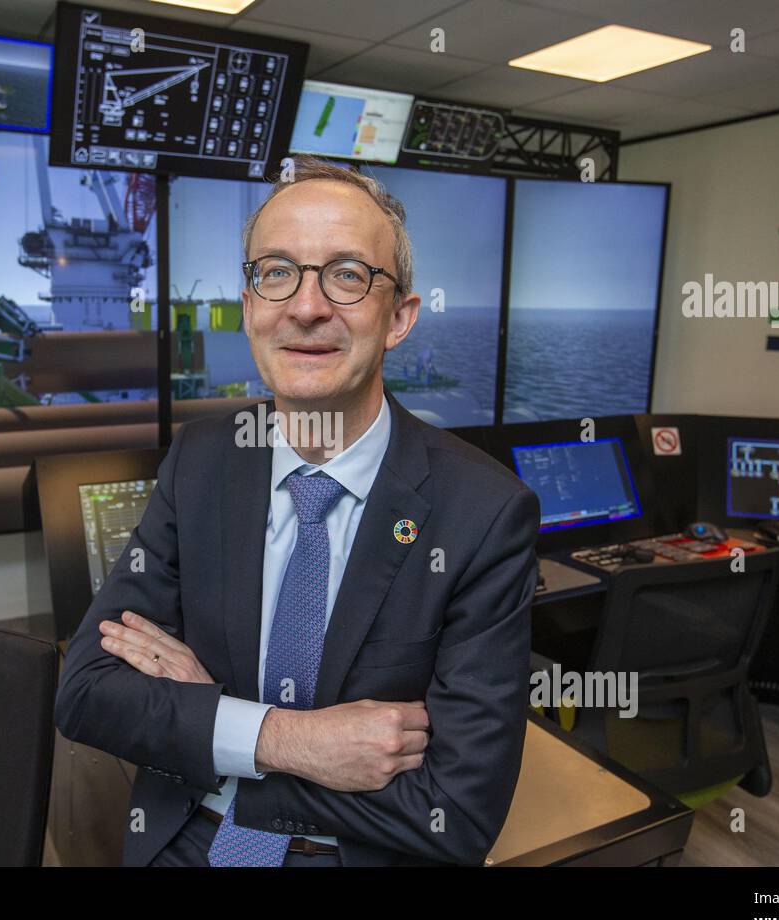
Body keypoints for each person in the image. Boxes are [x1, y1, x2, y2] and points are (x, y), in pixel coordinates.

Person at [54, 155, 540, 866]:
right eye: (276, 272)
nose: (306, 307)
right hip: (184, 838)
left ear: (399, 315)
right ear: (250, 305)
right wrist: (289, 739)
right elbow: (89, 693)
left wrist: (211, 730)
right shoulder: (201, 461)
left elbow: (456, 814)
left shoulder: (485, 513)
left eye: (347, 275)